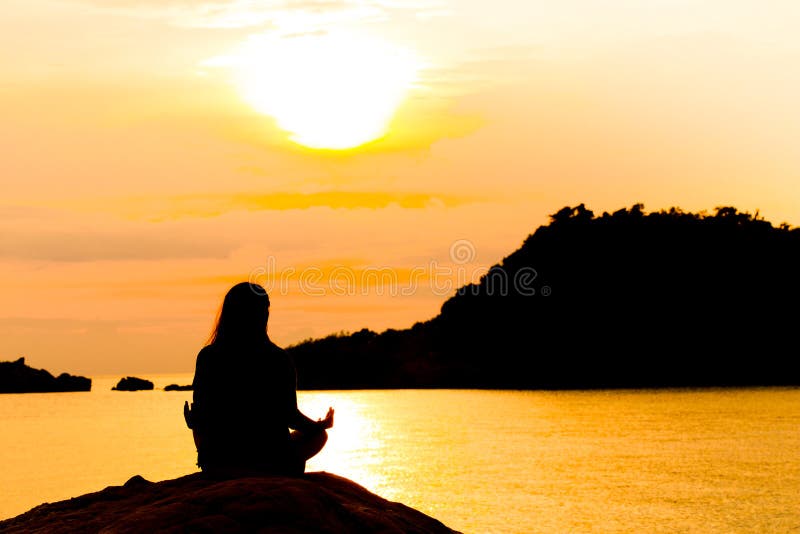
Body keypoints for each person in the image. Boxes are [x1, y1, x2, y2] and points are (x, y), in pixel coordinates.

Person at [184, 282, 333, 477]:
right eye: (264, 307)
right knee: (319, 436)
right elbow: (290, 416)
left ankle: (224, 466)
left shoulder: (208, 356)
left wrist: (193, 421)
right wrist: (320, 425)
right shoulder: (277, 358)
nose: (266, 313)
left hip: (220, 459)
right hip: (270, 458)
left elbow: (201, 416)